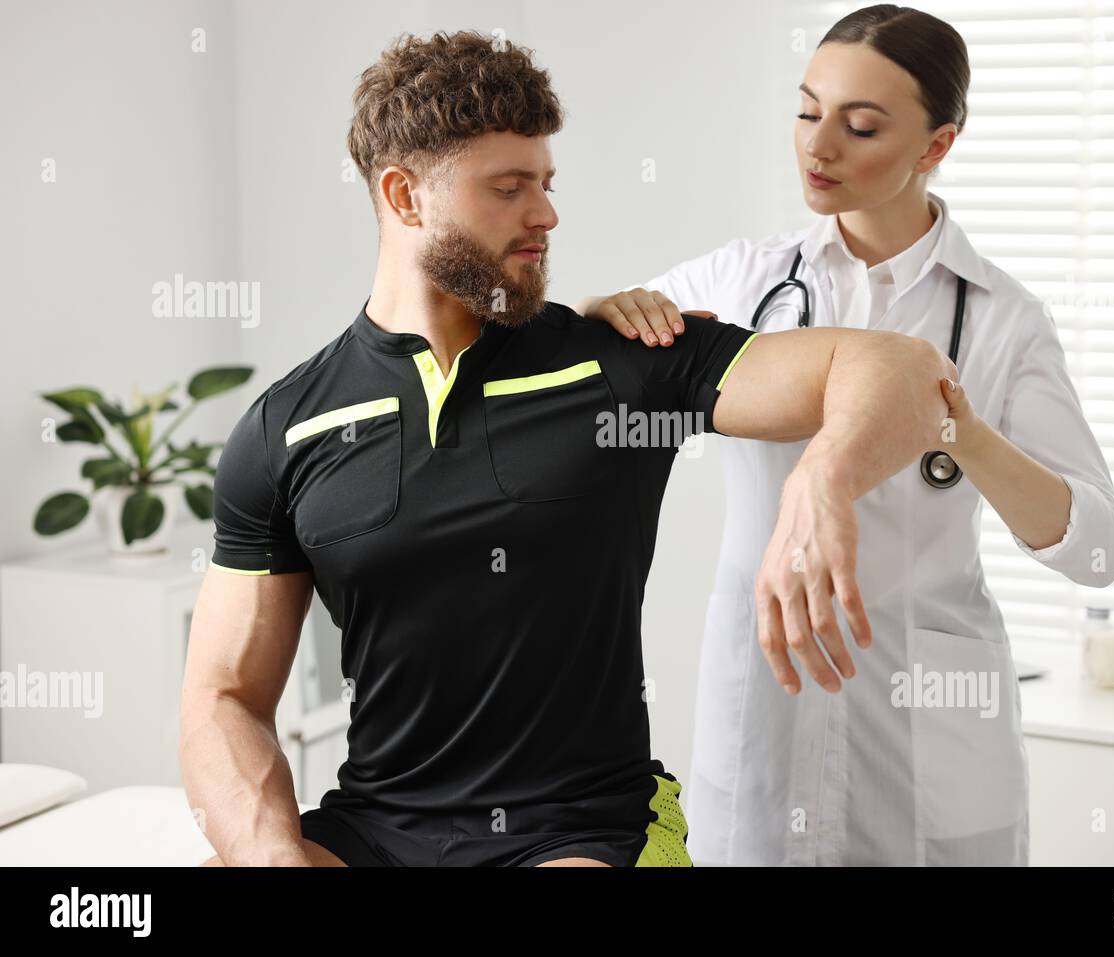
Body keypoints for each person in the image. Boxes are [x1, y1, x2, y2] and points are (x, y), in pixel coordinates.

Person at [180, 29, 956, 867]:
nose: (546, 213)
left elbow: (906, 372)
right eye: (508, 188)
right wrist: (270, 854)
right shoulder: (287, 426)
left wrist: (823, 479)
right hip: (378, 826)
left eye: (546, 183)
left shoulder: (620, 360)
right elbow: (223, 694)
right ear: (404, 197)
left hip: (582, 829)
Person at [577, 5, 1114, 865]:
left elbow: (1098, 550)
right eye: (807, 111)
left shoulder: (1004, 321)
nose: (819, 145)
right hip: (767, 704)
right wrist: (595, 310)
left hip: (926, 726)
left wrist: (963, 433)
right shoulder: (739, 282)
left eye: (860, 125)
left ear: (936, 145)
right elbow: (569, 366)